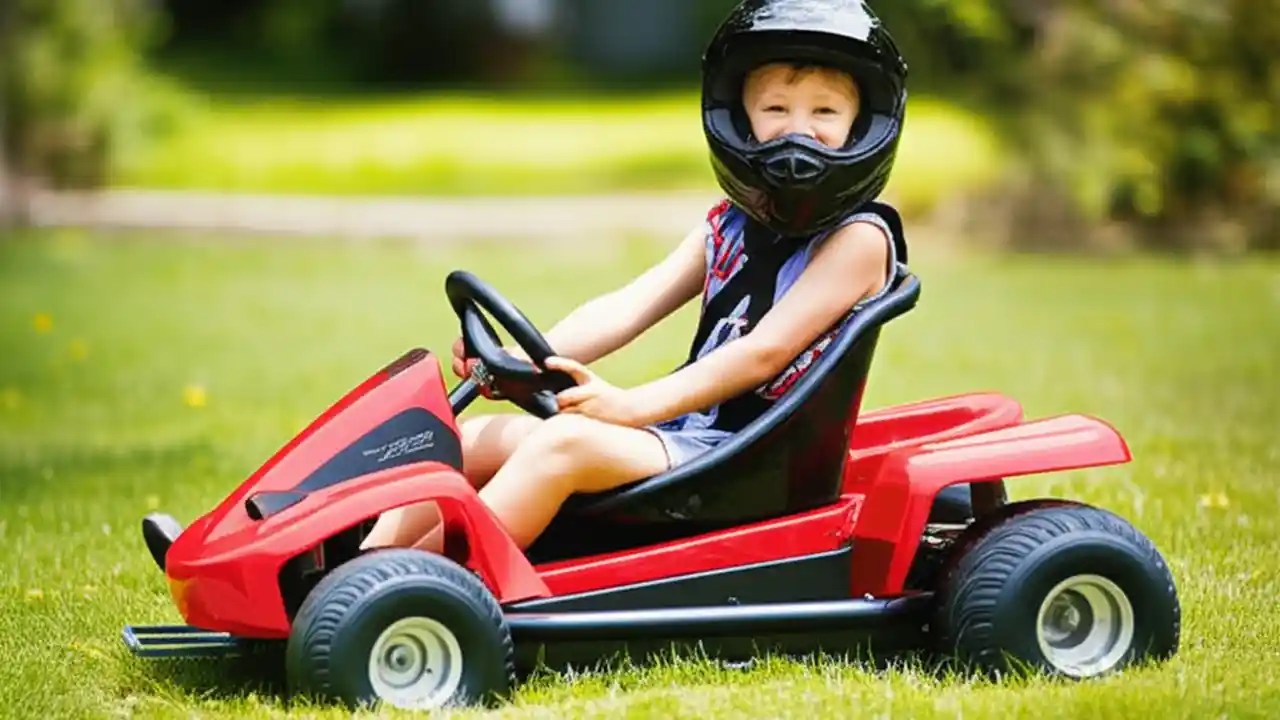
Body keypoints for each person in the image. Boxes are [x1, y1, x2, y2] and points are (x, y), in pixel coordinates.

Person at [360, 0, 910, 554]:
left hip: (753, 460)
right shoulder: (732, 224)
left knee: (564, 445)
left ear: (864, 124)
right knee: (476, 439)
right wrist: (532, 358)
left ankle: (419, 589)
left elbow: (763, 353)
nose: (798, 132)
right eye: (775, 109)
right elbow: (628, 305)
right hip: (692, 437)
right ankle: (364, 566)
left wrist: (633, 407)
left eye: (824, 113)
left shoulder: (859, 240)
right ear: (740, 119)